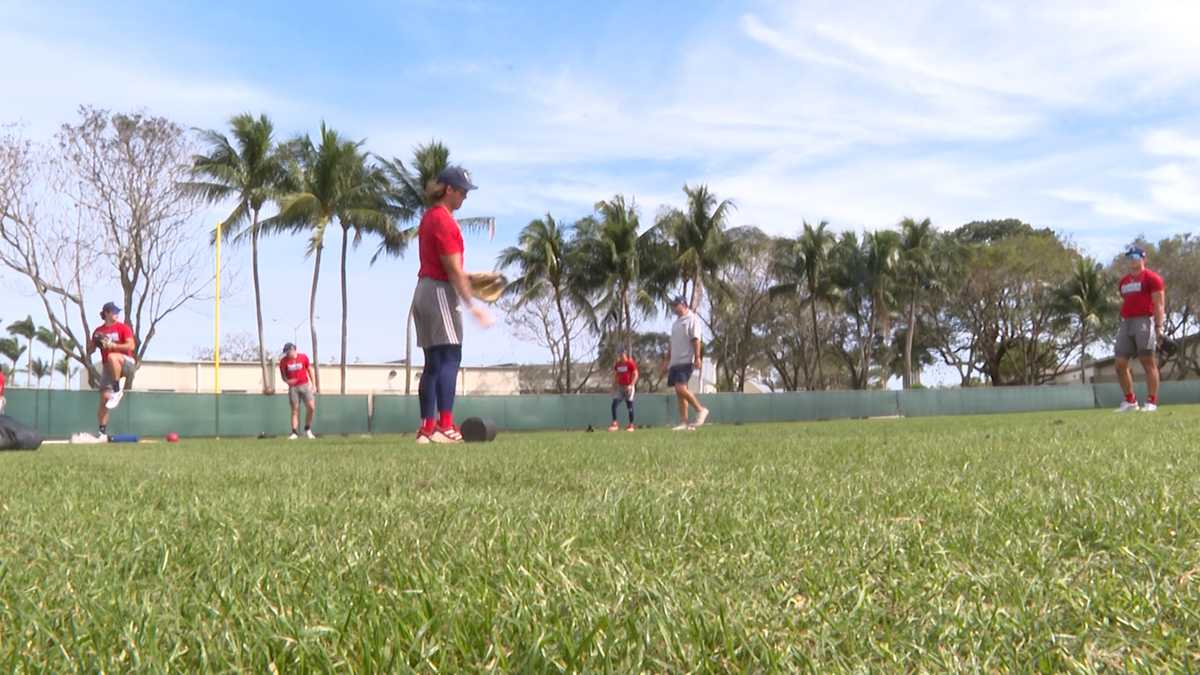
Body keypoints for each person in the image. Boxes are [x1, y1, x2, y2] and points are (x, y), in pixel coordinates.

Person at [412, 165, 493, 444]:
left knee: (433, 362)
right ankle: (445, 426)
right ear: (449, 189)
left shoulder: (429, 217)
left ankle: (427, 428)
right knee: (450, 356)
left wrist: (468, 277)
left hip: (424, 290)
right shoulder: (444, 221)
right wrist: (474, 305)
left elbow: (445, 264)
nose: (465, 198)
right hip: (439, 292)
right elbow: (451, 269)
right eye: (462, 192)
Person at [1114, 245, 1166, 412]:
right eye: (1129, 256)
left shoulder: (1152, 278)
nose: (1132, 259)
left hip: (1144, 321)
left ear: (1143, 258)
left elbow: (1159, 303)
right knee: (1120, 363)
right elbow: (1127, 301)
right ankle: (1130, 401)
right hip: (1126, 322)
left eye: (1135, 255)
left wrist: (1159, 326)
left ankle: (1151, 402)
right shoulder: (1123, 282)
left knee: (1147, 362)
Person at [87, 301, 137, 436]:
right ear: (107, 313)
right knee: (104, 400)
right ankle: (102, 432)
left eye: (117, 312)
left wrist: (112, 345)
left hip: (127, 363)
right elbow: (90, 350)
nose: (117, 314)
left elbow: (131, 346)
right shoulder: (99, 331)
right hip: (109, 368)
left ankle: (116, 388)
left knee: (112, 356)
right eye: (114, 311)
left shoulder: (123, 327)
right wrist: (93, 342)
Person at [665, 296, 709, 430]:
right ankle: (684, 422)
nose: (673, 308)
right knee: (679, 393)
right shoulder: (676, 323)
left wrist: (697, 357)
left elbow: (696, 339)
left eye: (676, 305)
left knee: (680, 388)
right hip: (675, 362)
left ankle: (701, 409)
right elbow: (672, 344)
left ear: (683, 305)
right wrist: (667, 360)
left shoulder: (692, 319)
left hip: (686, 360)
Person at [279, 342, 317, 439]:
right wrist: (288, 381)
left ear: (293, 350)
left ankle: (307, 429)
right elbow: (283, 376)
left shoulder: (303, 357)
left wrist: (314, 384)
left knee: (311, 407)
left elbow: (310, 370)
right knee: (295, 410)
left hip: (305, 385)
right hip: (293, 388)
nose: (287, 354)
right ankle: (294, 433)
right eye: (286, 353)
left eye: (288, 352)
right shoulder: (283, 362)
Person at [609, 349, 638, 432]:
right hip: (620, 387)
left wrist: (631, 385)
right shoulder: (617, 365)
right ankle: (615, 423)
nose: (621, 355)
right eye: (619, 354)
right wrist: (613, 387)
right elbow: (615, 376)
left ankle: (631, 425)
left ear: (625, 354)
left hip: (629, 387)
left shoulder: (630, 363)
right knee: (614, 404)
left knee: (629, 406)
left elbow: (636, 374)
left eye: (622, 354)